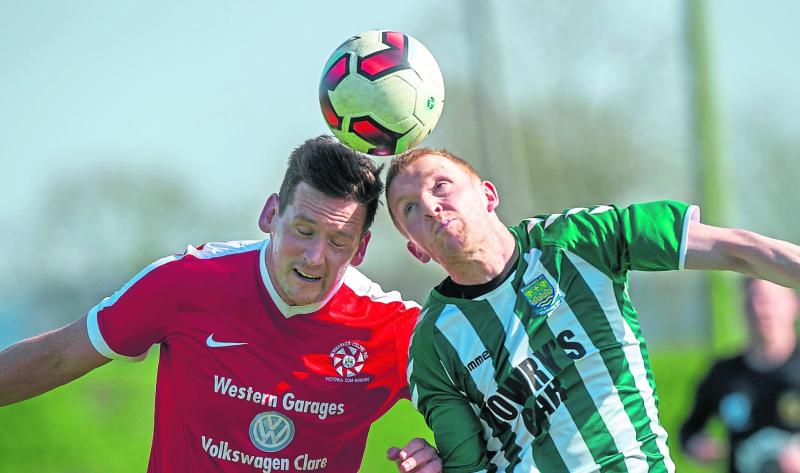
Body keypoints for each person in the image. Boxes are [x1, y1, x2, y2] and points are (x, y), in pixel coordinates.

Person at [0, 136, 441, 473]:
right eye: (303, 230)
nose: (314, 257)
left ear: (360, 250)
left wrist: (442, 459)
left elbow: (492, 415)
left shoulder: (394, 328)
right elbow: (60, 355)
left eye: (338, 242)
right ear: (271, 215)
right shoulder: (188, 282)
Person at [383, 147, 800, 472]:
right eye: (410, 209)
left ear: (487, 195)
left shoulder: (581, 240)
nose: (431, 206)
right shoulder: (432, 345)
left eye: (440, 186)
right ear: (416, 249)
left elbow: (739, 250)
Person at [680, 278, 800, 473]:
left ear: (794, 305)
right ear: (743, 307)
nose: (763, 310)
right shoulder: (724, 373)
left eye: (771, 301)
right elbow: (688, 432)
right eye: (755, 299)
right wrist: (699, 446)